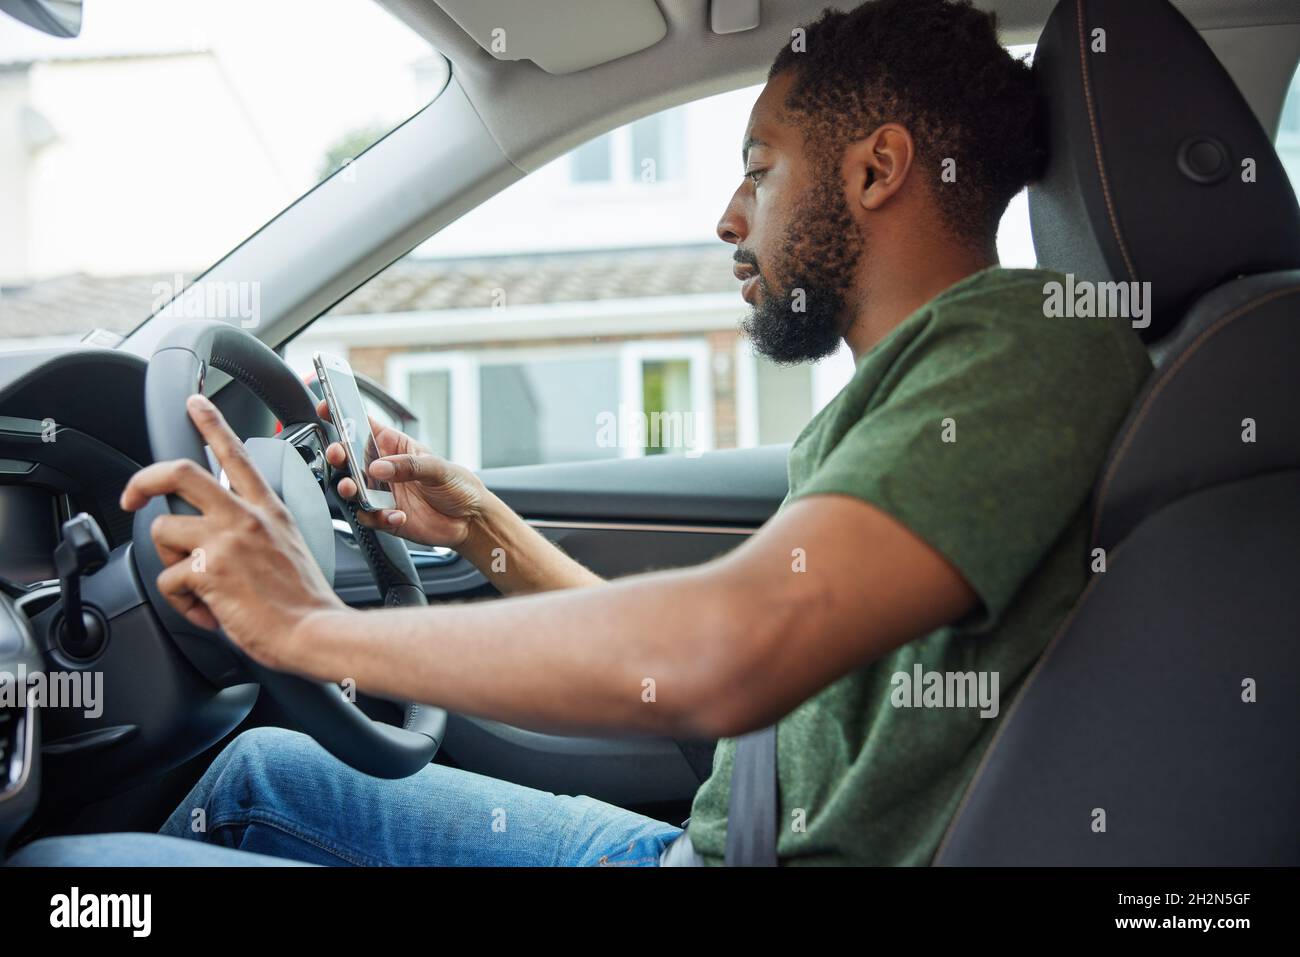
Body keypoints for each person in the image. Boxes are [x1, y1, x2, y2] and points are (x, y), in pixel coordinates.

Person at [19, 0, 1151, 867]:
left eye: (759, 169)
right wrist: (480, 531)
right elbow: (705, 678)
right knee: (261, 769)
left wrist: (305, 627)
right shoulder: (918, 385)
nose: (726, 216)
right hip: (713, 844)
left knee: (83, 877)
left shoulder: (1021, 352)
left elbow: (720, 653)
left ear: (875, 168)